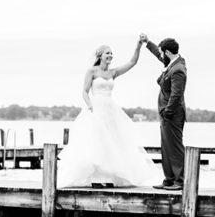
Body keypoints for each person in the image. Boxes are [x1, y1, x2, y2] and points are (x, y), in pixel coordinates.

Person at [57, 36, 160, 188]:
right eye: (107, 53)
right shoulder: (91, 71)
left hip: (110, 110)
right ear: (100, 56)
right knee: (95, 142)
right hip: (95, 109)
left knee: (112, 143)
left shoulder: (113, 72)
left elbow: (132, 62)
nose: (110, 56)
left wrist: (138, 46)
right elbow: (85, 92)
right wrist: (90, 105)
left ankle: (110, 177)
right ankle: (96, 178)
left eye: (111, 53)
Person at [141, 34, 187, 190]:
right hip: (166, 114)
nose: (160, 56)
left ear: (167, 52)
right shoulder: (172, 63)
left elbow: (176, 94)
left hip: (173, 114)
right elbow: (157, 54)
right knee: (166, 147)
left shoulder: (178, 69)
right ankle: (169, 179)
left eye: (162, 53)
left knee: (174, 147)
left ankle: (179, 181)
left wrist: (167, 112)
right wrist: (147, 42)